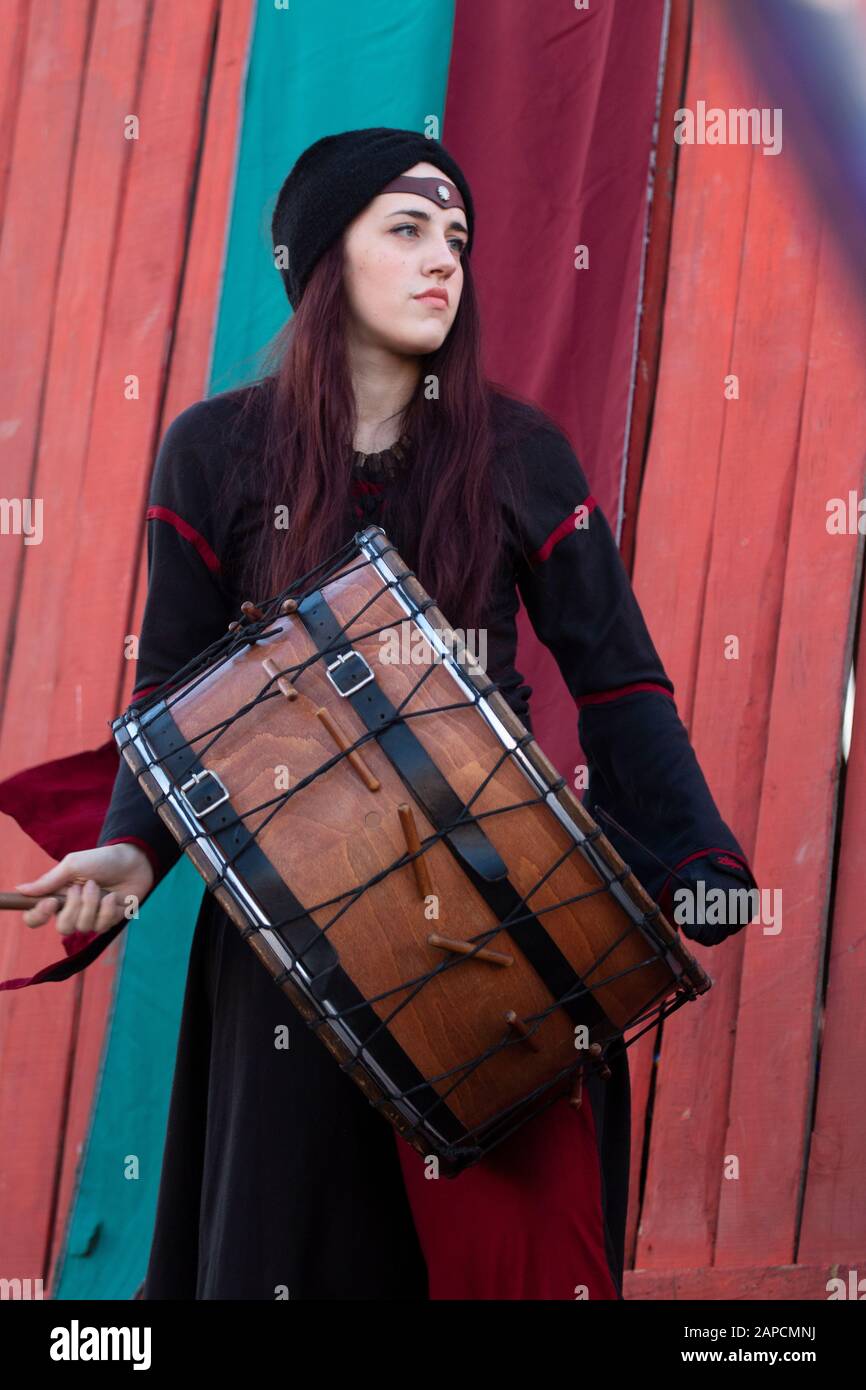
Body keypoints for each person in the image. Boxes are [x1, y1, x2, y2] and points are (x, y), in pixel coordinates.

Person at [6, 127, 758, 1300]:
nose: (442, 259)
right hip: (290, 934)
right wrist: (132, 846)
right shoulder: (215, 451)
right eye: (405, 229)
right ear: (322, 264)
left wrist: (694, 852)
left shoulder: (520, 453)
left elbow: (618, 681)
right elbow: (172, 692)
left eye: (455, 236)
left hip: (504, 924)